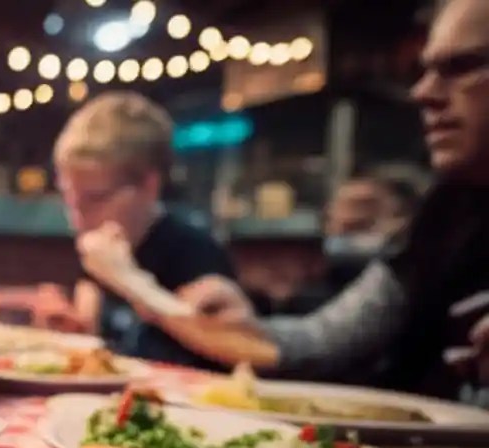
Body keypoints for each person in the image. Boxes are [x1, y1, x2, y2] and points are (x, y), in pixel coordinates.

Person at [152, 0, 489, 402]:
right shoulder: (448, 213)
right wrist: (246, 326)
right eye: (426, 69)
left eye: (464, 67)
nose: (423, 92)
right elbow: (323, 343)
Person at [35, 91, 235, 368]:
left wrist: (127, 278)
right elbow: (103, 348)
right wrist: (73, 330)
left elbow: (231, 353)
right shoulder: (102, 248)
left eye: (95, 198)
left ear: (149, 186)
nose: (77, 219)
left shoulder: (197, 253)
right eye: (70, 199)